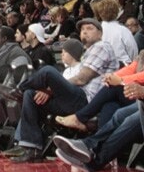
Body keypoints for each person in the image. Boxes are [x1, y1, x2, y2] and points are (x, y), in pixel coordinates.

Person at [6, 17, 118, 162]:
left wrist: (51, 89)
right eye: (82, 29)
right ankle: (31, 148)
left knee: (48, 71)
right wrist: (49, 90)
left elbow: (81, 79)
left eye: (90, 28)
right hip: (74, 100)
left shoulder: (101, 46)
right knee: (31, 95)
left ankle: (19, 89)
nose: (85, 32)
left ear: (100, 34)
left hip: (87, 101)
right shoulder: (88, 52)